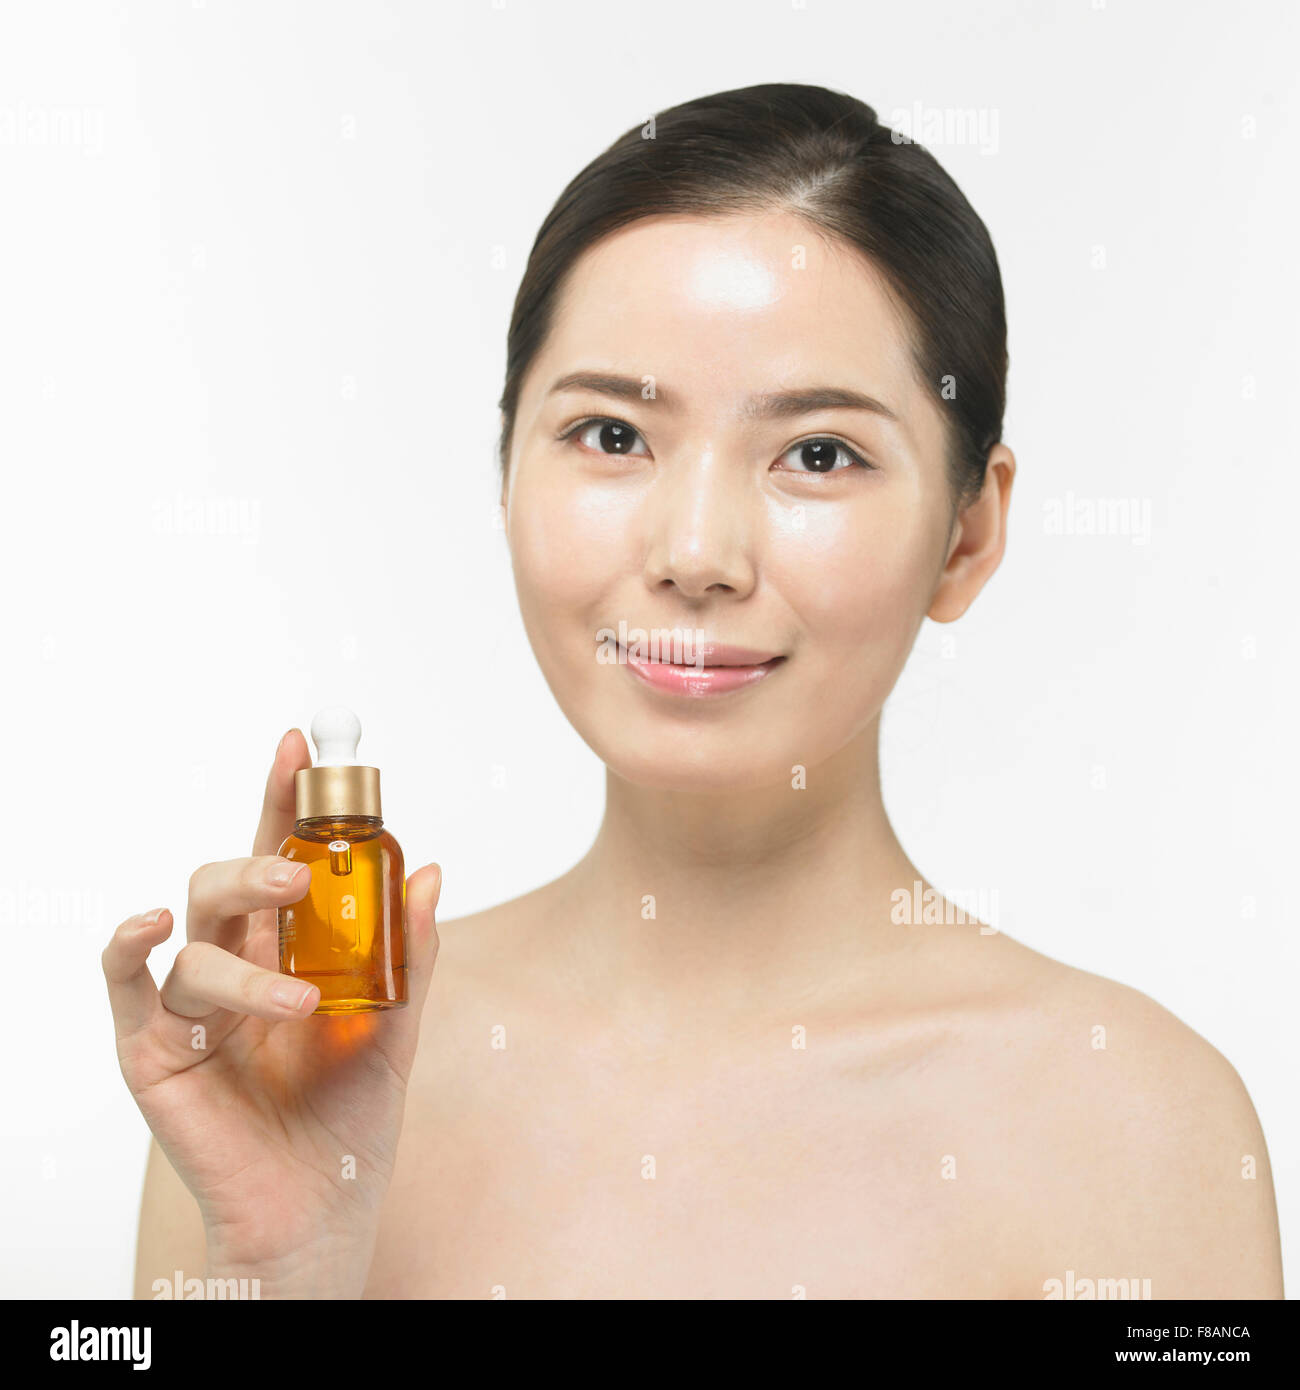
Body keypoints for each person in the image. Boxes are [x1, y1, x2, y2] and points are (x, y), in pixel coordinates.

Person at [104, 83, 1283, 1299]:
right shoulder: (292, 1070)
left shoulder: (1135, 1131)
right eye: (612, 435)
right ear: (505, 469)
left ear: (968, 532)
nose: (695, 551)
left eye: (817, 454)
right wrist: (277, 1268)